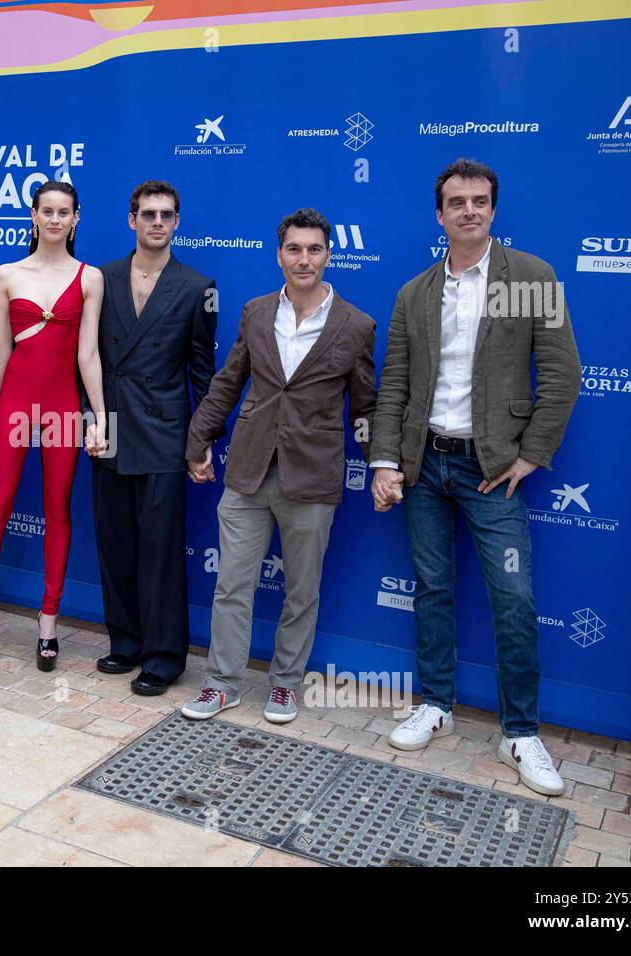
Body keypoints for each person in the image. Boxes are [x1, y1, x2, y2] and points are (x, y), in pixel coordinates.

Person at [370, 158, 580, 797]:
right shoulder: (415, 293)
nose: (469, 210)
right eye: (456, 202)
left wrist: (531, 454)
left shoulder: (532, 277)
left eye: (480, 201)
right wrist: (384, 460)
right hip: (425, 463)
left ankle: (521, 731)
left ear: (494, 209)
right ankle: (434, 703)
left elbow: (564, 373)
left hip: (492, 471)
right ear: (439, 214)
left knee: (513, 598)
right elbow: (396, 384)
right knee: (432, 585)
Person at [181, 208, 377, 723]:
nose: (304, 259)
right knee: (231, 586)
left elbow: (366, 407)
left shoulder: (356, 326)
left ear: (329, 255)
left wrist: (382, 462)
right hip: (247, 469)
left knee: (301, 591)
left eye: (314, 249)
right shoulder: (256, 311)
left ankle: (285, 684)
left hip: (312, 478)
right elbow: (228, 381)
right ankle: (221, 683)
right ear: (279, 254)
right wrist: (199, 438)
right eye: (294, 249)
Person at [0, 181, 107, 684]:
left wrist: (99, 418)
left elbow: (88, 355)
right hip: (13, 405)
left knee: (58, 509)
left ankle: (48, 622)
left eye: (65, 212)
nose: (56, 219)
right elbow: (0, 352)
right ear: (34, 216)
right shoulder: (6, 274)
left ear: (76, 218)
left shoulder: (91, 279)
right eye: (48, 211)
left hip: (64, 407)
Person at [89, 180, 217, 696]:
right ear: (131, 219)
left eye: (166, 215)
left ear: (177, 222)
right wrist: (88, 422)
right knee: (115, 543)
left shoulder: (196, 285)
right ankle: (126, 642)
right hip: (110, 427)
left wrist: (201, 439)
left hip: (165, 432)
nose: (157, 223)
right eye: (148, 214)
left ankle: (164, 657)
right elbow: (87, 360)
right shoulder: (102, 277)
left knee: (162, 551)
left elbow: (203, 372)